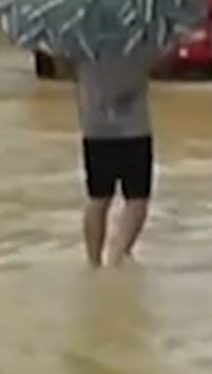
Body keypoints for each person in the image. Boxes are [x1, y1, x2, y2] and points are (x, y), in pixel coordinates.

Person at [70, 48, 156, 268]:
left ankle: (93, 263)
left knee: (98, 197)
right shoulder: (141, 34)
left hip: (95, 126)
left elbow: (66, 67)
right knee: (137, 198)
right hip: (134, 127)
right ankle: (119, 254)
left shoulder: (82, 36)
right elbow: (159, 64)